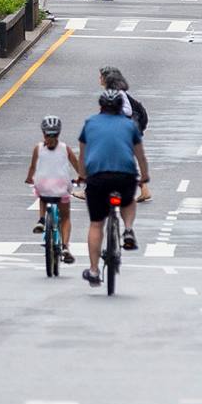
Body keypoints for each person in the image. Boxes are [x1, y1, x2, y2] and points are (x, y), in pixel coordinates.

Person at [77, 88, 149, 285]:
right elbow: (140, 155)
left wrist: (82, 176)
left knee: (96, 223)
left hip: (97, 177)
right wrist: (144, 177)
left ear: (101, 107)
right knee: (128, 201)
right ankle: (128, 229)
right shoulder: (129, 125)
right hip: (124, 176)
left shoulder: (90, 123)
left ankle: (93, 270)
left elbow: (83, 154)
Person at [25, 115, 81, 263]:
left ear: (43, 133)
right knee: (65, 218)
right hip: (61, 188)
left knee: (41, 192)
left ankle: (41, 220)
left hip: (44, 187)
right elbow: (77, 166)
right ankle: (65, 247)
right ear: (59, 133)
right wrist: (82, 178)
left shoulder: (38, 148)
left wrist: (29, 178)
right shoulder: (65, 149)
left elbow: (32, 167)